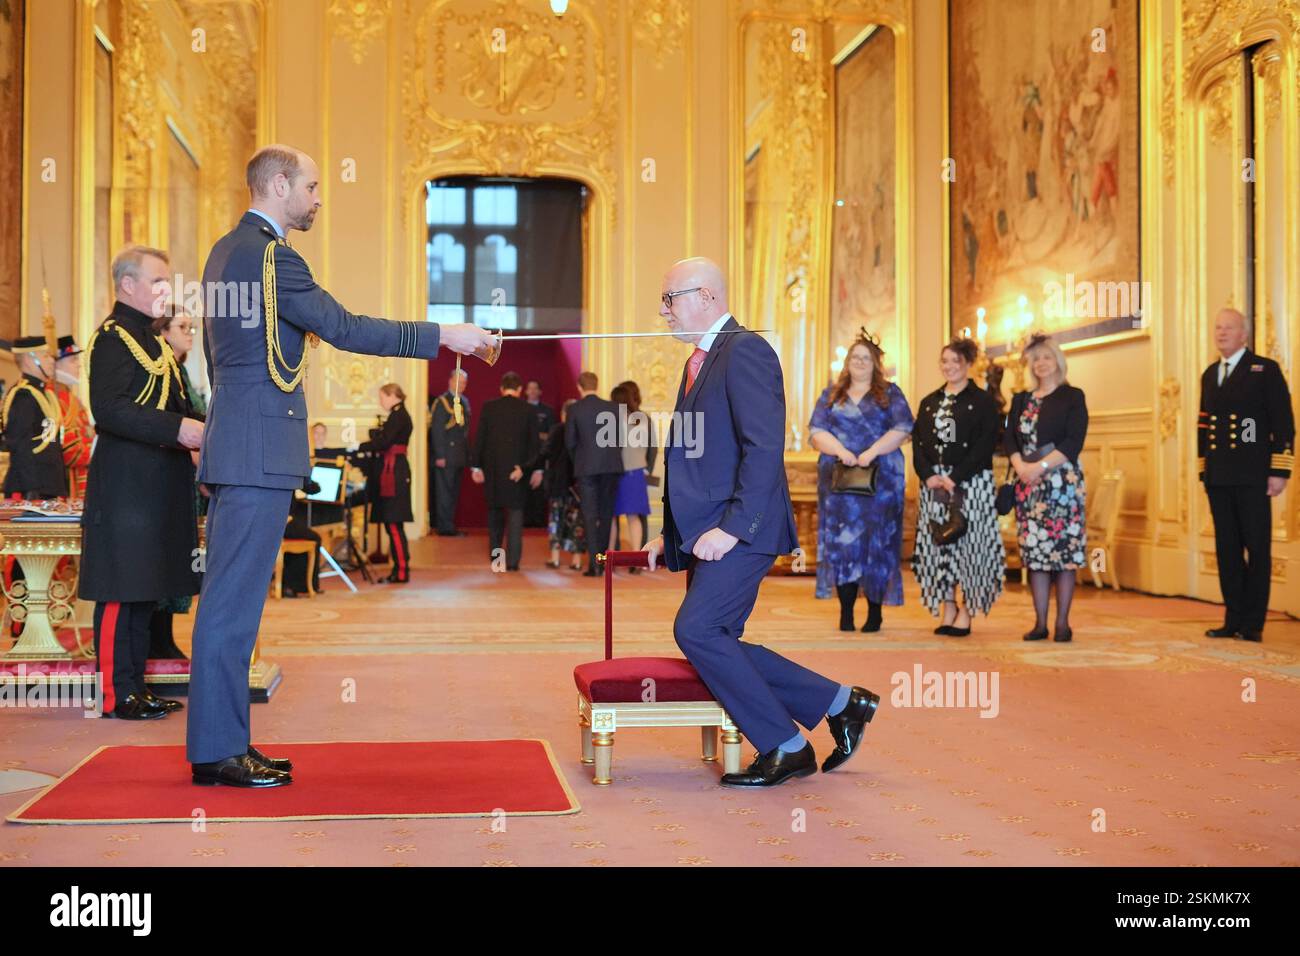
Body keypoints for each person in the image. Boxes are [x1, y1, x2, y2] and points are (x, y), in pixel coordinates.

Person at [187, 144, 495, 787]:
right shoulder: (273, 258)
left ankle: (224, 744)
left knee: (231, 604)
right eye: (313, 186)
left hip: (240, 443)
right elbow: (347, 327)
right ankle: (218, 753)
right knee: (232, 607)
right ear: (278, 185)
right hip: (257, 451)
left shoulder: (225, 252)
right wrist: (446, 336)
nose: (319, 198)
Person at [644, 256, 880, 788]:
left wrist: (732, 528)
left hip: (738, 529)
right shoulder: (702, 361)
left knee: (697, 630)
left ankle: (786, 744)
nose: (663, 312)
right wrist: (672, 530)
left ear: (706, 296)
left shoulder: (744, 351)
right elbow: (691, 455)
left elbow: (763, 447)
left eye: (670, 298)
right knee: (717, 635)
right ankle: (841, 703)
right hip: (706, 531)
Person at [79, 245, 202, 719]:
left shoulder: (153, 342)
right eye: (157, 282)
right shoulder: (113, 337)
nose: (165, 290)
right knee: (120, 591)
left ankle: (136, 685)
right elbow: (109, 410)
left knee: (144, 591)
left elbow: (179, 408)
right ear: (127, 285)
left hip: (157, 489)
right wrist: (180, 430)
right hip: (125, 488)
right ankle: (115, 693)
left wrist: (203, 432)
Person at [808, 330, 914, 633]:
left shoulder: (891, 394)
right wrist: (842, 451)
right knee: (843, 547)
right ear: (847, 362)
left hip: (881, 484)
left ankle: (875, 613)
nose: (860, 362)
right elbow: (816, 431)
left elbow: (903, 427)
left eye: (866, 358)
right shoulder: (831, 394)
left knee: (877, 545)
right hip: (839, 485)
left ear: (876, 363)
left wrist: (870, 452)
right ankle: (845, 612)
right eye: (855, 357)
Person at [1199, 308, 1293, 643]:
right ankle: (1232, 618)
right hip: (1219, 476)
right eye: (1217, 327)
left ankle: (1253, 623)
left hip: (1253, 475)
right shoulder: (1211, 374)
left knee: (1257, 547)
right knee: (1227, 550)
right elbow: (1203, 424)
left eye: (1228, 328)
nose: (1221, 332)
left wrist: (1279, 470)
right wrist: (1203, 469)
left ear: (1244, 334)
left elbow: (1283, 422)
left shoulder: (1263, 370)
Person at [911, 337, 1005, 636]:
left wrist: (956, 476)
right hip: (934, 487)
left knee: (970, 547)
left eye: (956, 361)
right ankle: (948, 606)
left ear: (968, 364)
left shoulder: (982, 402)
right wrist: (928, 475)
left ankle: (967, 610)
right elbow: (919, 444)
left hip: (971, 484)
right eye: (945, 361)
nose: (949, 366)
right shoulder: (930, 402)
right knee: (941, 547)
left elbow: (985, 444)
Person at [1006, 333, 1089, 643]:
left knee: (1064, 557)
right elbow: (1010, 439)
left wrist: (1039, 467)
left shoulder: (1073, 397)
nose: (1041, 363)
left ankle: (1063, 623)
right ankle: (1040, 623)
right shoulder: (1021, 400)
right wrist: (1021, 467)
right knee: (1036, 556)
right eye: (1036, 358)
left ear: (1058, 362)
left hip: (1062, 486)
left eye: (1047, 357)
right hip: (1029, 488)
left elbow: (1073, 441)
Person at [148, 309, 207, 660]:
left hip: (186, 476)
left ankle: (165, 637)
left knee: (180, 559)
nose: (190, 334)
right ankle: (156, 639)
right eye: (183, 327)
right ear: (163, 331)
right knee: (164, 558)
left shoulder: (180, 370)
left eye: (192, 327)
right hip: (167, 475)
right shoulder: (160, 370)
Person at [471, 371, 541, 572]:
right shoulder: (528, 410)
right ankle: (512, 563)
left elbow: (480, 440)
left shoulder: (489, 408)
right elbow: (534, 445)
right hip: (517, 471)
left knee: (495, 519)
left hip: (493, 471)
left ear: (501, 388)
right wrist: (529, 469)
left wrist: (476, 466)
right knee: (515, 518)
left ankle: (497, 561)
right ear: (520, 389)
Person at [566, 371, 623, 576]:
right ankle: (603, 560)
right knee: (607, 515)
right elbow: (621, 440)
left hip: (586, 468)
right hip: (611, 467)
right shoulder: (614, 408)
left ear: (579, 387)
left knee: (590, 516)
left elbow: (570, 442)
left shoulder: (575, 409)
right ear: (597, 385)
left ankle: (594, 565)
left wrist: (579, 462)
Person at [360, 383, 414, 584]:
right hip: (393, 470)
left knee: (393, 523)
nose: (380, 401)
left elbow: (384, 442)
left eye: (382, 397)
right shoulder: (397, 414)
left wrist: (360, 445)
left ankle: (401, 570)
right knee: (392, 524)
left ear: (393, 396)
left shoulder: (398, 415)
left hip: (394, 472)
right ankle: (398, 569)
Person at [1, 337, 67, 501]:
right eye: (45, 356)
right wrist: (31, 489)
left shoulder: (46, 395)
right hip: (30, 489)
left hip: (48, 485)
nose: (52, 361)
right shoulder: (23, 396)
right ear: (30, 360)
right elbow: (20, 445)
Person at [528, 397, 585, 570]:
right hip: (577, 484)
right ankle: (576, 561)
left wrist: (531, 467)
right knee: (577, 523)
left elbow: (545, 453)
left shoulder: (557, 430)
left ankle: (556, 558)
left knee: (556, 520)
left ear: (563, 414)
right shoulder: (582, 431)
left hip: (558, 484)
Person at [610, 380, 656, 570]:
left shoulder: (613, 420)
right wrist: (647, 470)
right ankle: (636, 559)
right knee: (634, 518)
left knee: (611, 518)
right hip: (637, 472)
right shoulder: (644, 419)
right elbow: (652, 448)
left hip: (615, 473)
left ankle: (609, 558)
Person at [429, 369, 470, 536]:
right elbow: (437, 430)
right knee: (444, 493)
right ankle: (445, 527)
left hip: (458, 455)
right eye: (458, 381)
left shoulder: (464, 401)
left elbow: (464, 430)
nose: (461, 385)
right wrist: (439, 455)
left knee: (453, 493)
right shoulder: (442, 402)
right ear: (451, 381)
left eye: (464, 383)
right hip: (446, 455)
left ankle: (449, 525)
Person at [53, 335, 93, 501]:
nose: (79, 365)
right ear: (56, 363)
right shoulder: (53, 397)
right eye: (73, 360)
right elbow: (70, 450)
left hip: (79, 478)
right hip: (64, 482)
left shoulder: (72, 399)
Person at [523, 379, 556, 528]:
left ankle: (538, 522)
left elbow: (551, 434)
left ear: (540, 392)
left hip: (541, 455)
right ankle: (524, 521)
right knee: (524, 489)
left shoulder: (547, 411)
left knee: (539, 491)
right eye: (530, 389)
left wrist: (537, 436)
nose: (532, 391)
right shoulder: (520, 408)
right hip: (523, 455)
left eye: (535, 388)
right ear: (525, 391)